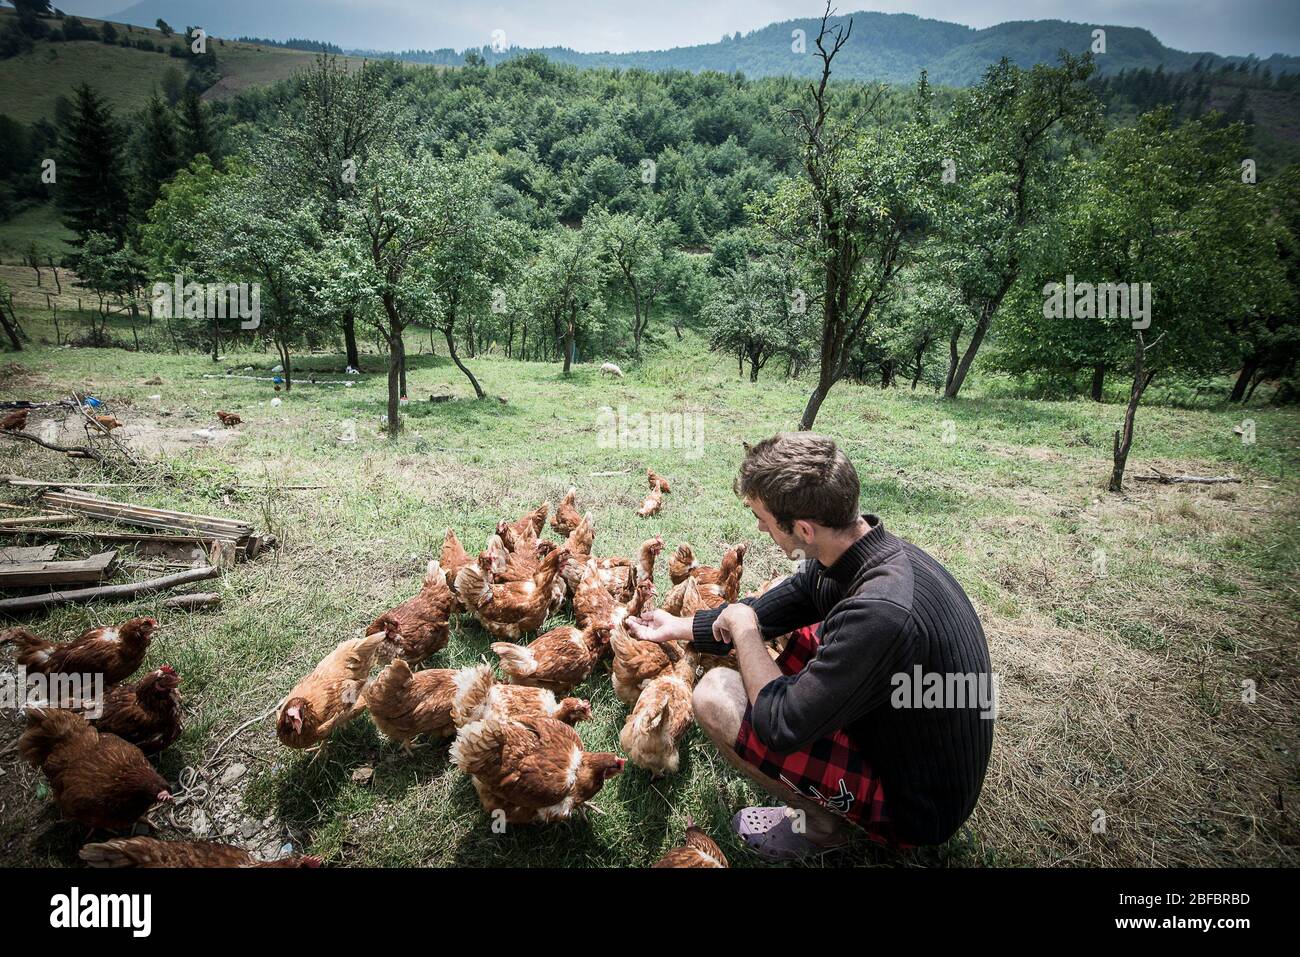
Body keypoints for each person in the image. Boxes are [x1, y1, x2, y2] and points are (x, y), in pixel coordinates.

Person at [627, 433, 994, 861]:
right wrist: (679, 626)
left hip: (916, 803)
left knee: (714, 694)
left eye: (762, 517)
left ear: (803, 528)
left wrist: (745, 633)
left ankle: (821, 828)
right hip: (904, 730)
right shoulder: (860, 554)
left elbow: (779, 725)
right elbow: (773, 608)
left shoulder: (880, 613)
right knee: (791, 618)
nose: (760, 527)